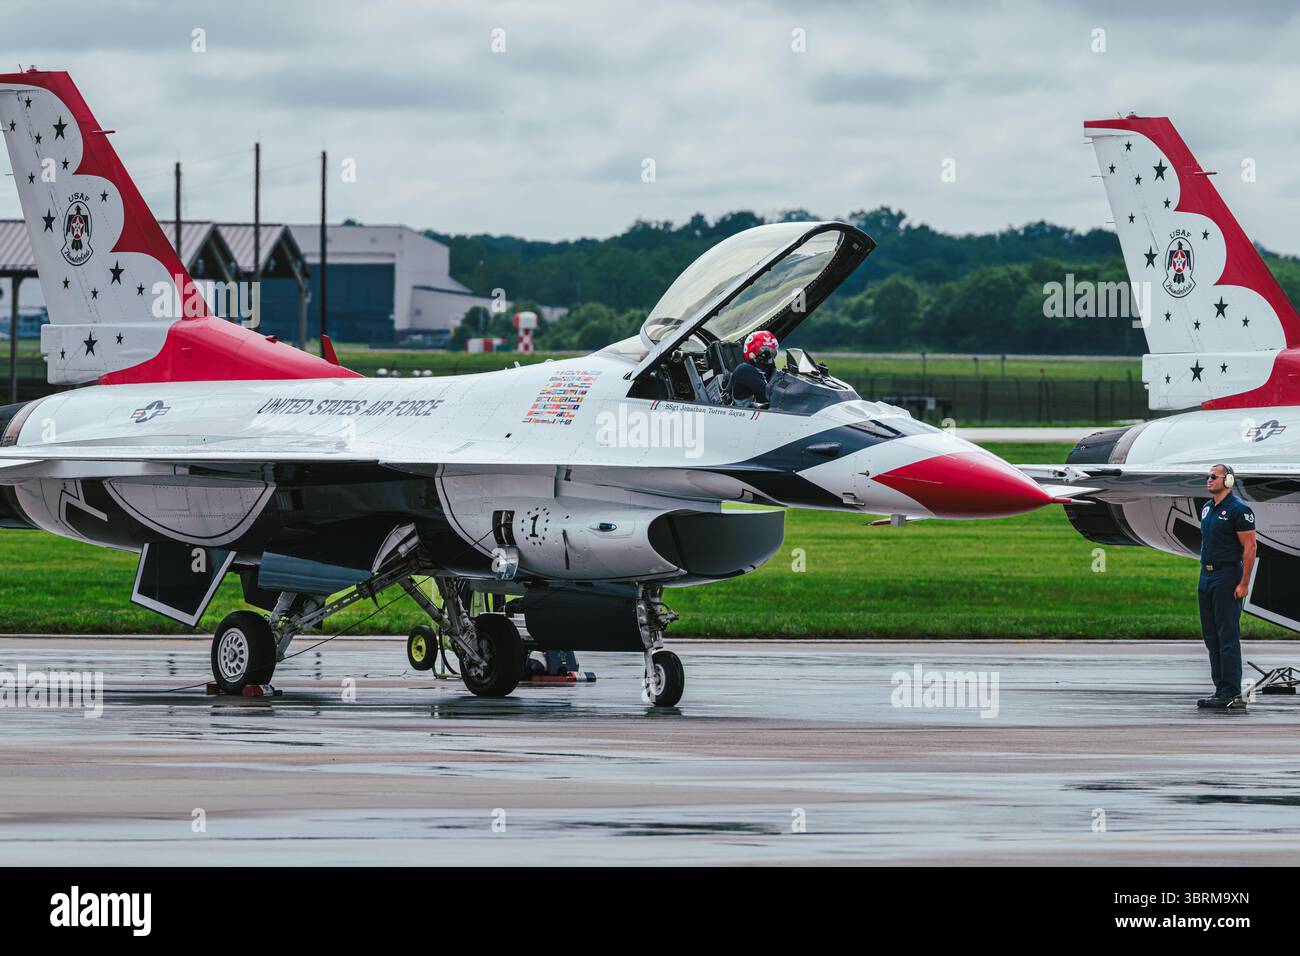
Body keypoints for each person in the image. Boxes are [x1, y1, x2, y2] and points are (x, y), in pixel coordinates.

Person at [1196, 464, 1257, 710]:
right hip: (1206, 575)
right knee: (1211, 636)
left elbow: (1250, 548)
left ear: (1229, 480)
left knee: (1227, 636)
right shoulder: (1207, 508)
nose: (1209, 480)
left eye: (1214, 476)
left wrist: (1244, 583)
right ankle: (1220, 688)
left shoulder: (1239, 511)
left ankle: (1231, 690)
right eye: (1208, 476)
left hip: (1227, 575)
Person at [731, 330, 779, 406]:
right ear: (752, 352)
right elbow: (766, 397)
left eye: (773, 352)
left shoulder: (767, 371)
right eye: (766, 353)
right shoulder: (745, 370)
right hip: (743, 415)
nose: (770, 358)